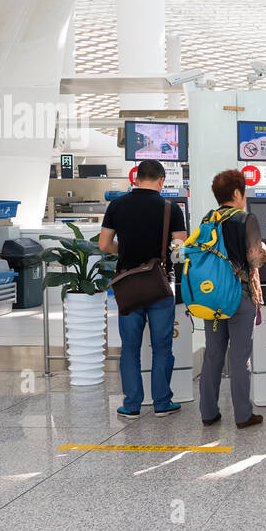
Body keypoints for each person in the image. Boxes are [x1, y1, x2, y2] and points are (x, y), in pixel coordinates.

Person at [99, 160, 187, 419]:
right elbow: (178, 249)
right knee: (162, 346)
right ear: (161, 180)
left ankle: (132, 405)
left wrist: (124, 249)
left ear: (136, 178)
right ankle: (162, 403)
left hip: (128, 285)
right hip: (159, 284)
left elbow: (104, 244)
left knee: (130, 348)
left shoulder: (116, 206)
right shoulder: (171, 209)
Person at [198, 169, 266, 429]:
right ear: (237, 193)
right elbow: (255, 259)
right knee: (239, 357)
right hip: (239, 297)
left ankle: (208, 412)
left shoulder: (207, 219)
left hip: (211, 297)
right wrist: (264, 250)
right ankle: (242, 415)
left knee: (213, 353)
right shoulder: (245, 219)